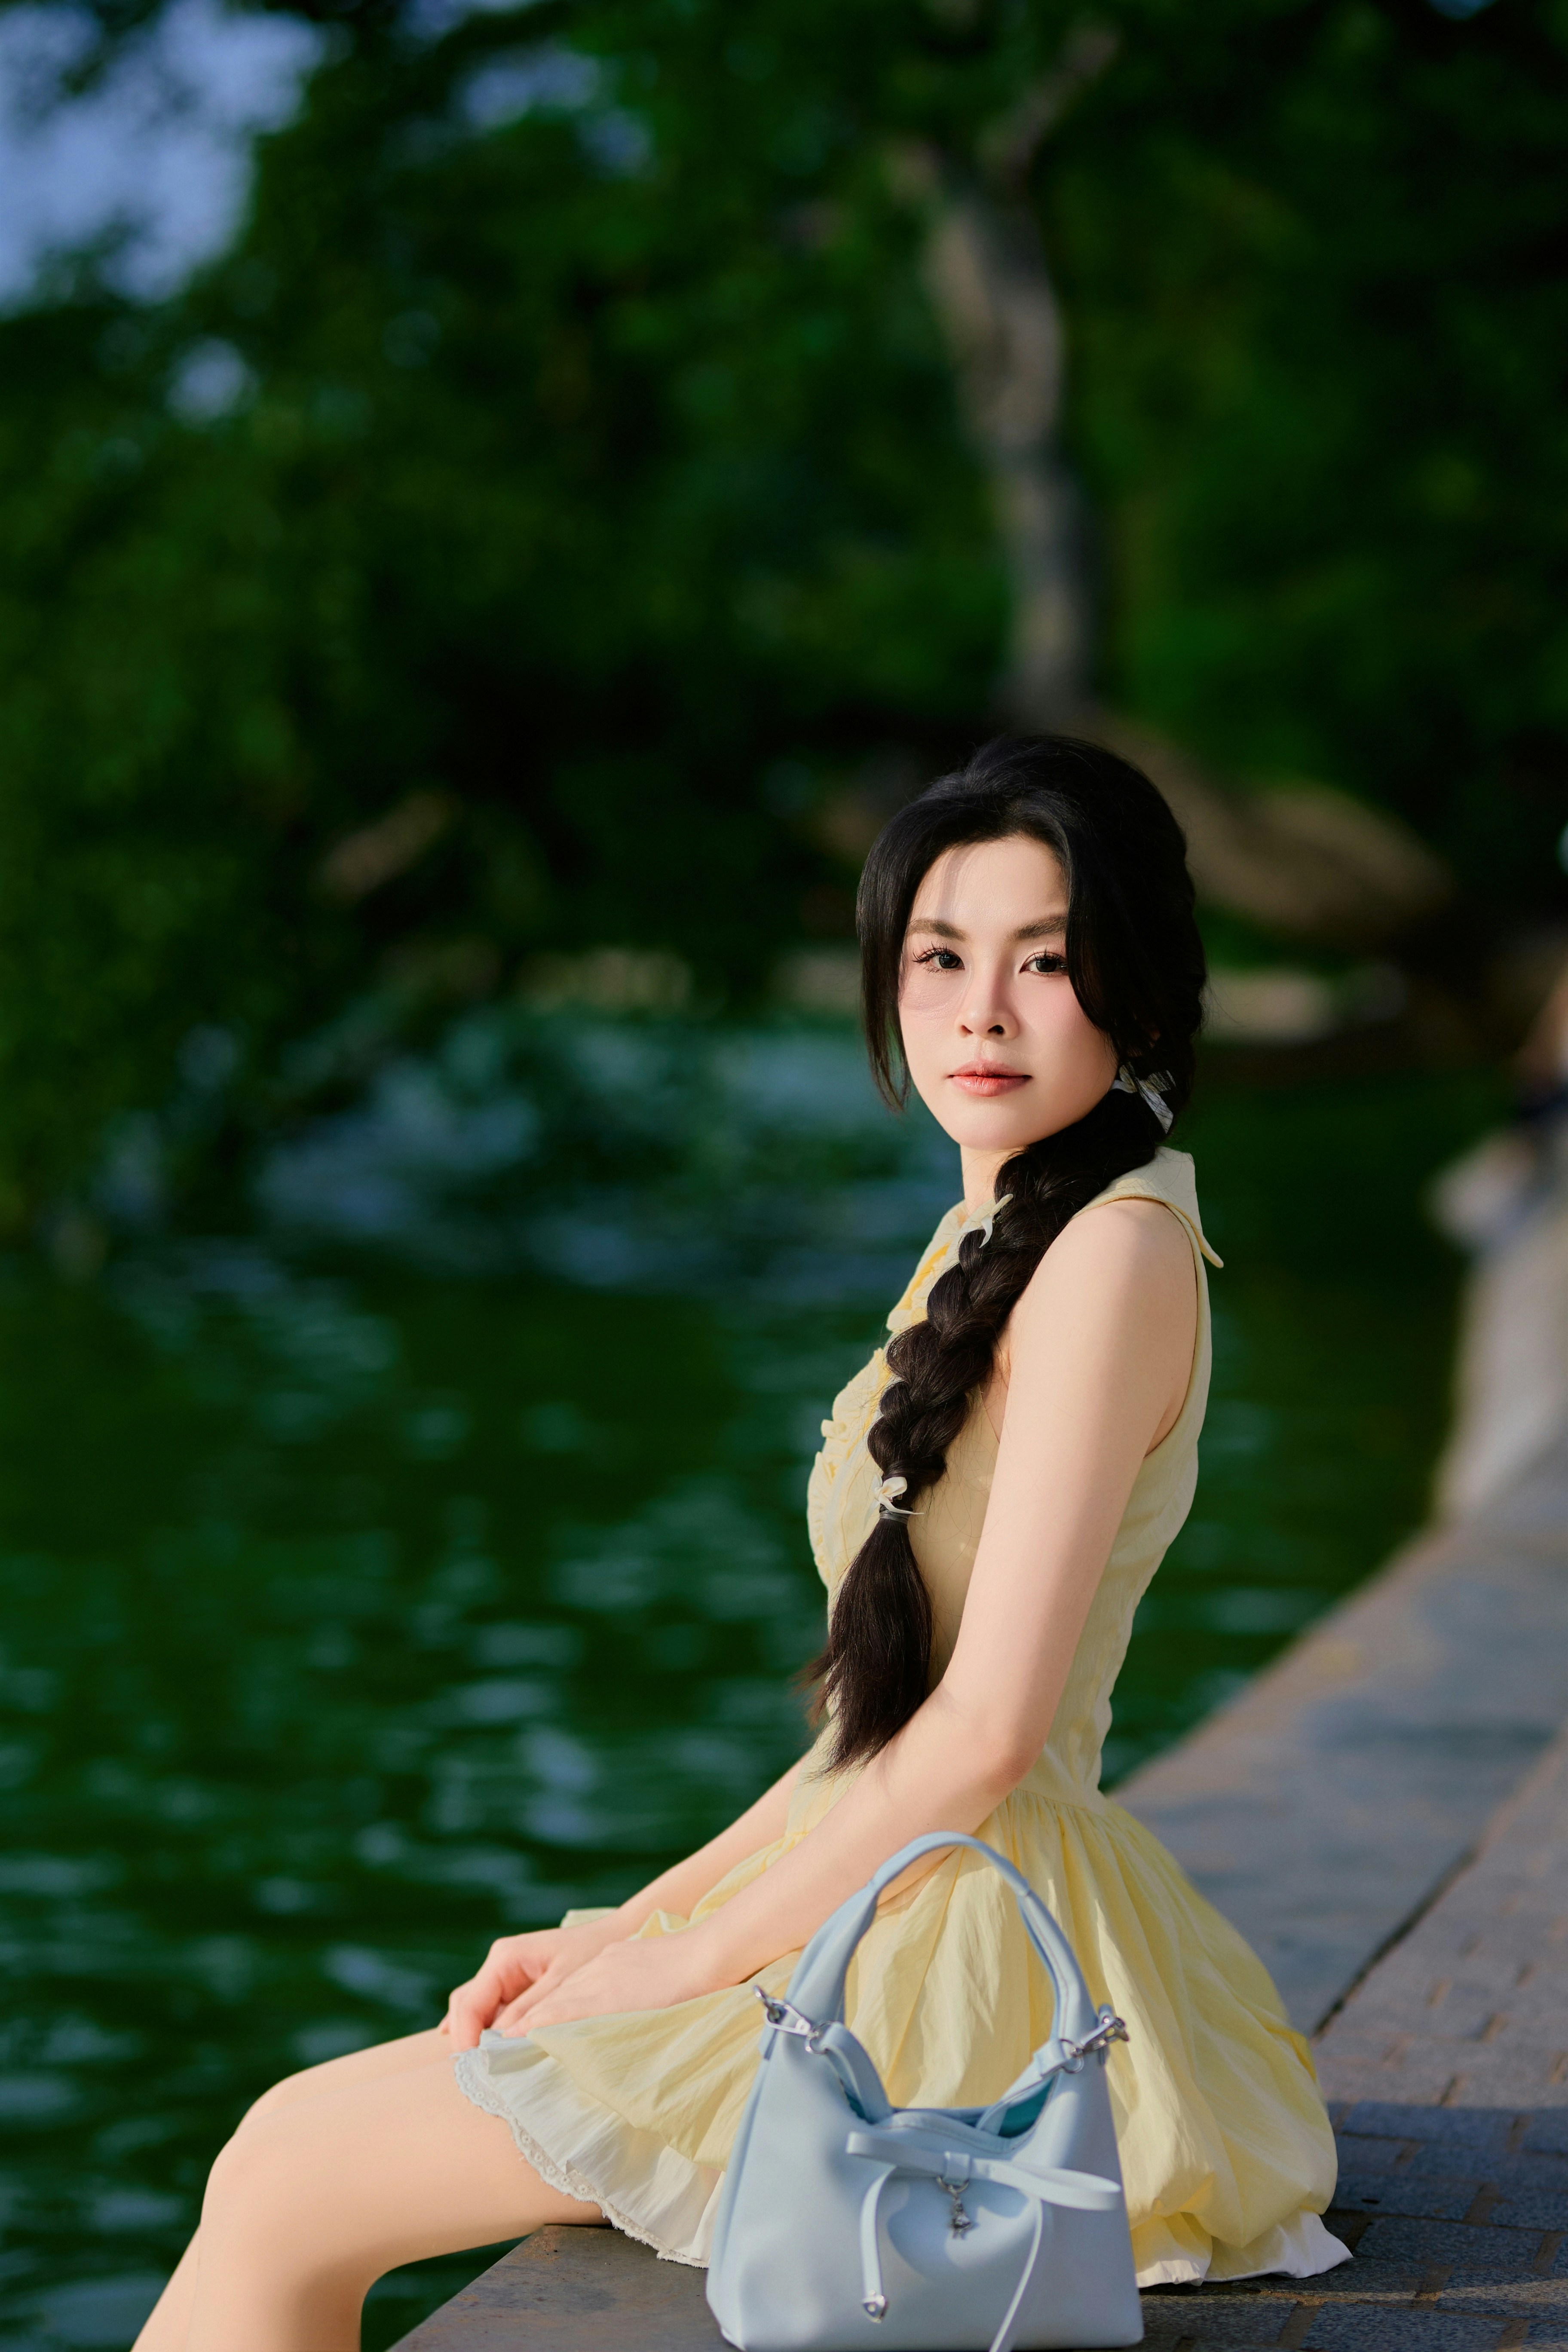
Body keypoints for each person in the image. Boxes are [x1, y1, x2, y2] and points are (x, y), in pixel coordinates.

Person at [136, 735, 1346, 2352]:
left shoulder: (1112, 1259)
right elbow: (876, 1727)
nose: (979, 1010)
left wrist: (683, 1967)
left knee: (289, 2176)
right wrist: (626, 1926)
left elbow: (984, 1736)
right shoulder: (1000, 1228)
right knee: (280, 2153)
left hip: (956, 1951)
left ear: (1139, 985)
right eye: (939, 957)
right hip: (893, 1884)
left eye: (1045, 961)